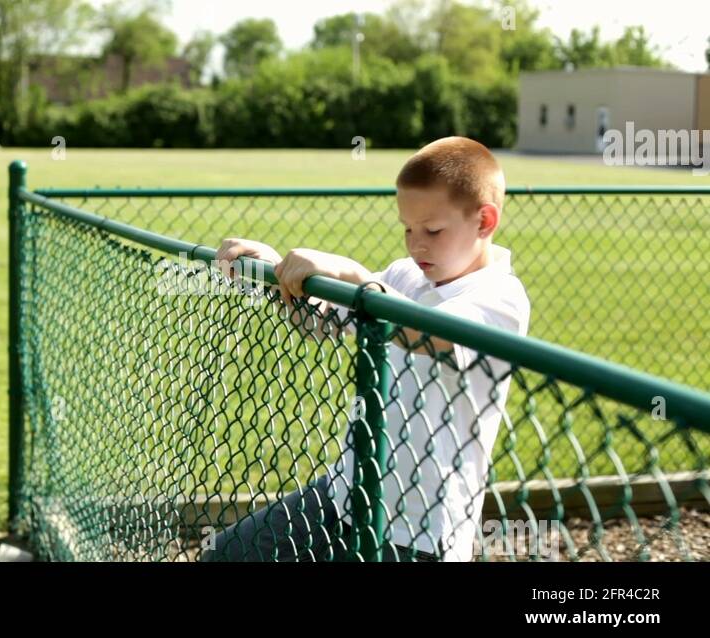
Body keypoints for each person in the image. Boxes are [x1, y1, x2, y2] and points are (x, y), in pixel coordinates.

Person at [202, 136, 531, 562]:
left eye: (432, 230)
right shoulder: (407, 275)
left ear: (485, 221)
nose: (416, 245)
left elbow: (430, 334)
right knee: (227, 555)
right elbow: (319, 321)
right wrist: (273, 271)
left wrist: (355, 277)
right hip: (346, 492)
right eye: (408, 229)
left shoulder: (501, 297)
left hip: (421, 528)